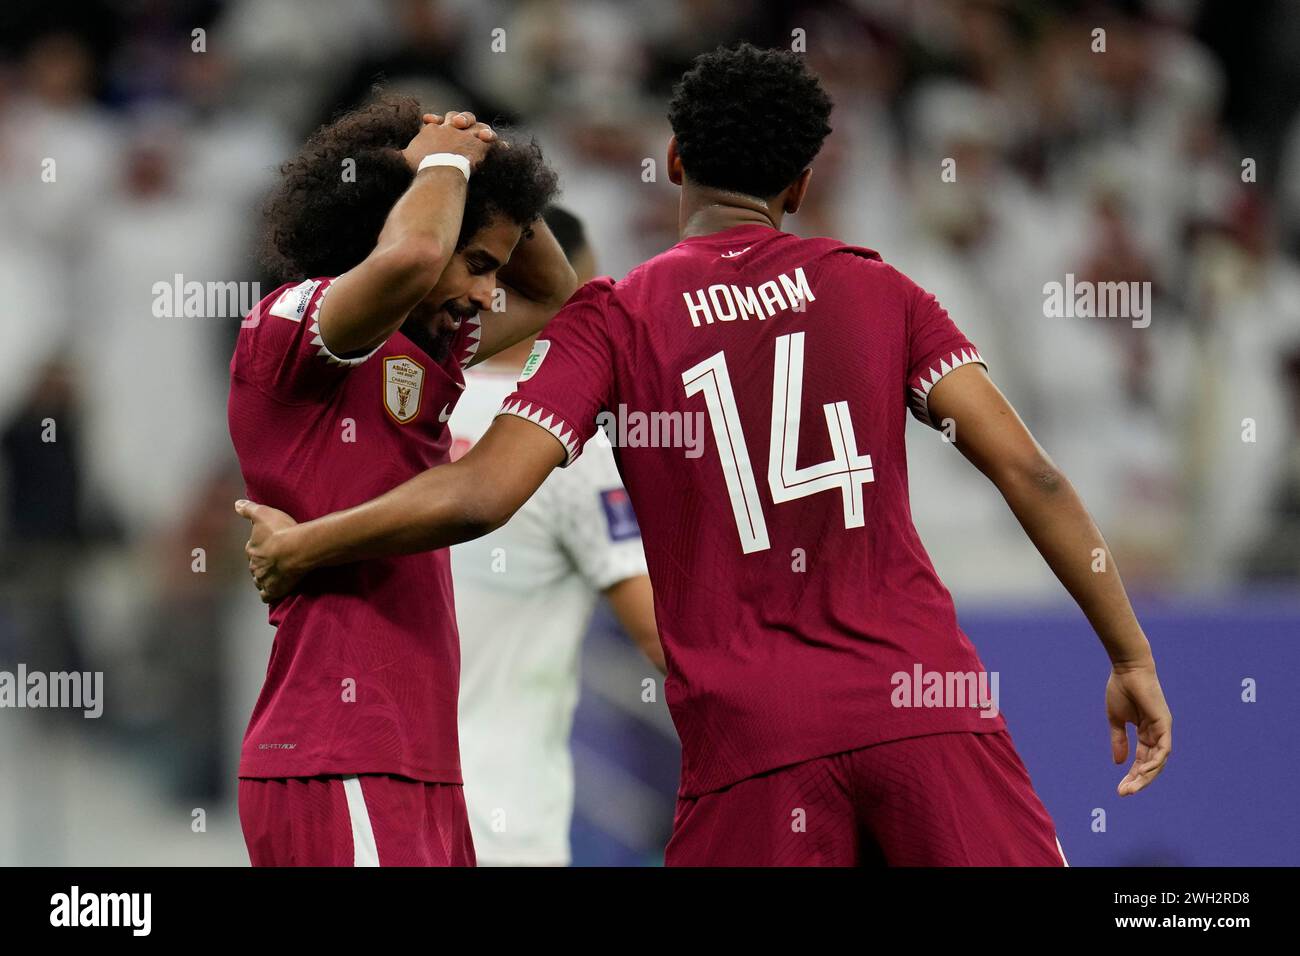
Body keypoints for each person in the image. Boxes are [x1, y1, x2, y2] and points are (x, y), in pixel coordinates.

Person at [237, 45, 1172, 866]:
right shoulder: (879, 290)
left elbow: (482, 492)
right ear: (802, 183)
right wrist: (1128, 653)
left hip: (751, 751)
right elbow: (1032, 473)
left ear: (674, 160)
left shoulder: (619, 319)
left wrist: (307, 546)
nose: (482, 292)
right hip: (922, 710)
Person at [228, 97, 574, 866]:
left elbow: (554, 291)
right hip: (338, 752)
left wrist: (487, 155)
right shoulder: (292, 327)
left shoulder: (428, 344)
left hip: (418, 761)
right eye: (478, 264)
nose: (489, 293)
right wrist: (444, 165)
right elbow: (413, 258)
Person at [449, 205, 665, 866]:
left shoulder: (399, 410)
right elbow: (665, 639)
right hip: (502, 826)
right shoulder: (565, 442)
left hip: (377, 819)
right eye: (593, 297)